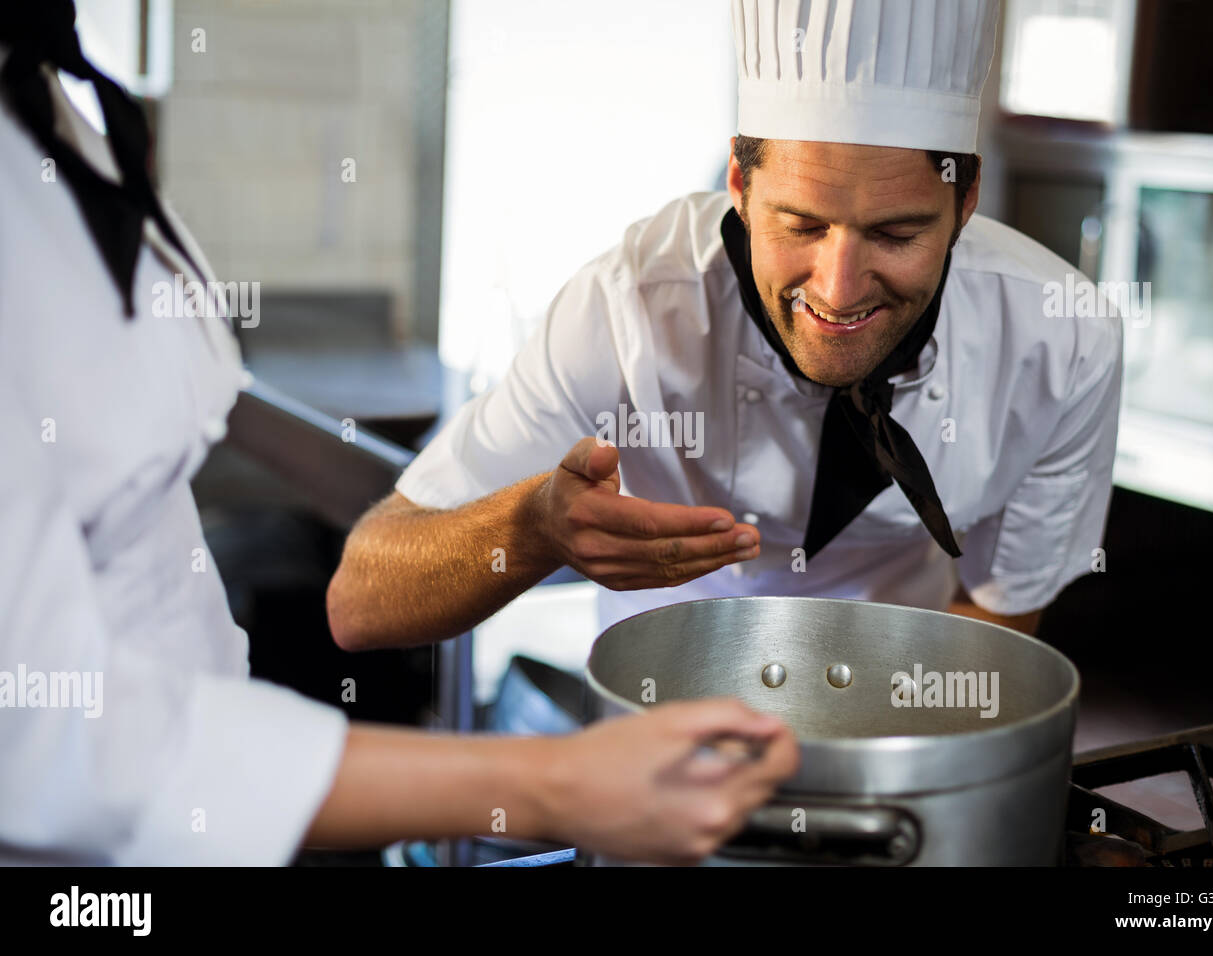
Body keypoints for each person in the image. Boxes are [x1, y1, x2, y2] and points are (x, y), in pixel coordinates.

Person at [0, 2, 798, 866]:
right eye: (802, 225)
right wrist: (551, 781)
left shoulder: (58, 119)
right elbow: (51, 736)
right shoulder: (633, 300)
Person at [326, 0, 1122, 651]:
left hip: (893, 726)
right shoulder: (629, 306)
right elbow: (360, 603)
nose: (839, 290)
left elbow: (997, 624)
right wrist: (534, 528)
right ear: (740, 184)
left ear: (966, 200)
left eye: (897, 234)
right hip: (649, 745)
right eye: (801, 225)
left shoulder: (1061, 342)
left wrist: (897, 784)